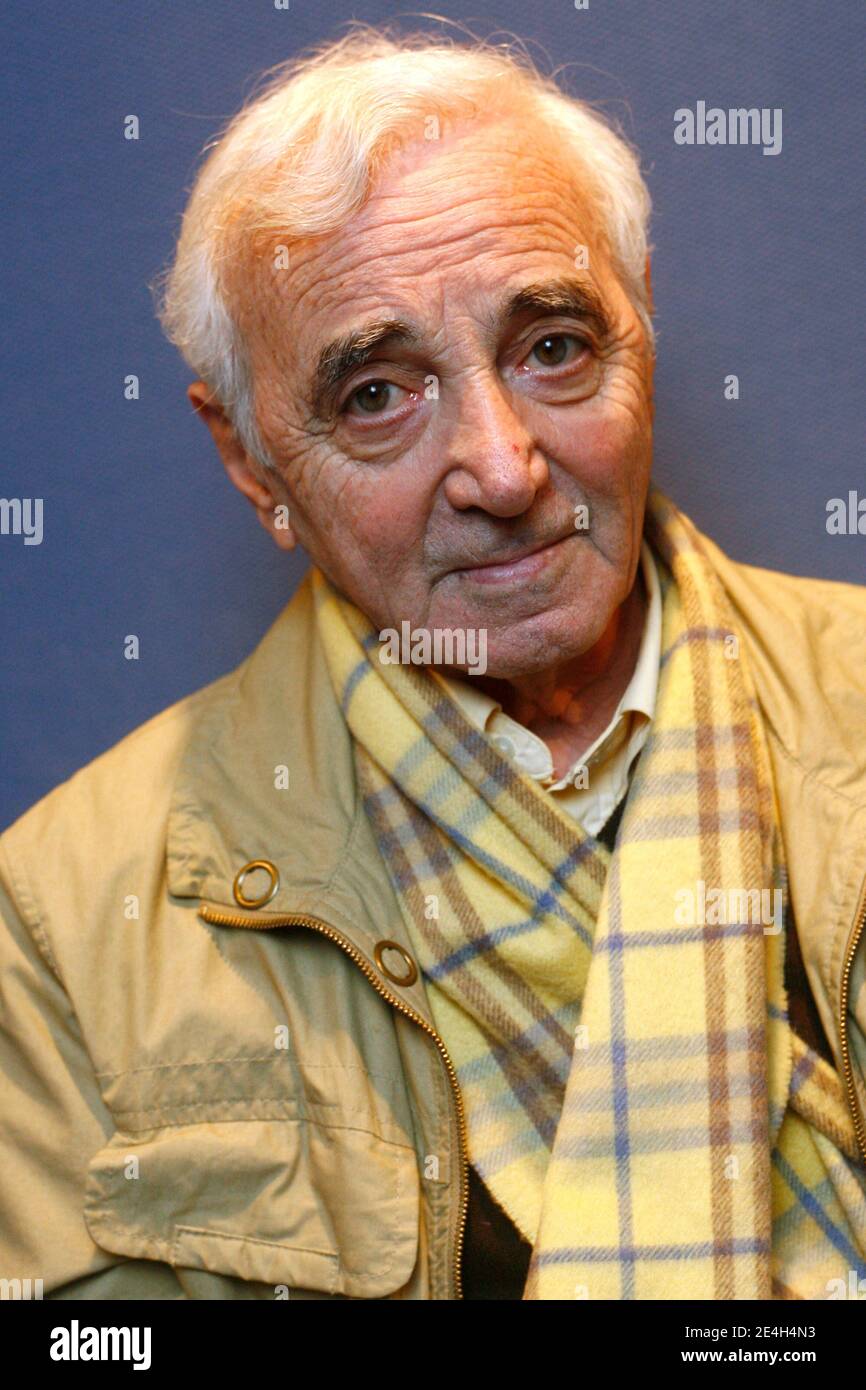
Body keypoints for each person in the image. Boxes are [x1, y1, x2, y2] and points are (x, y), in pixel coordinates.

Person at [1, 29, 864, 1302]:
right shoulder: (65, 916)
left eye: (553, 347)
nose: (505, 469)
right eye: (377, 395)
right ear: (249, 461)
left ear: (641, 330)